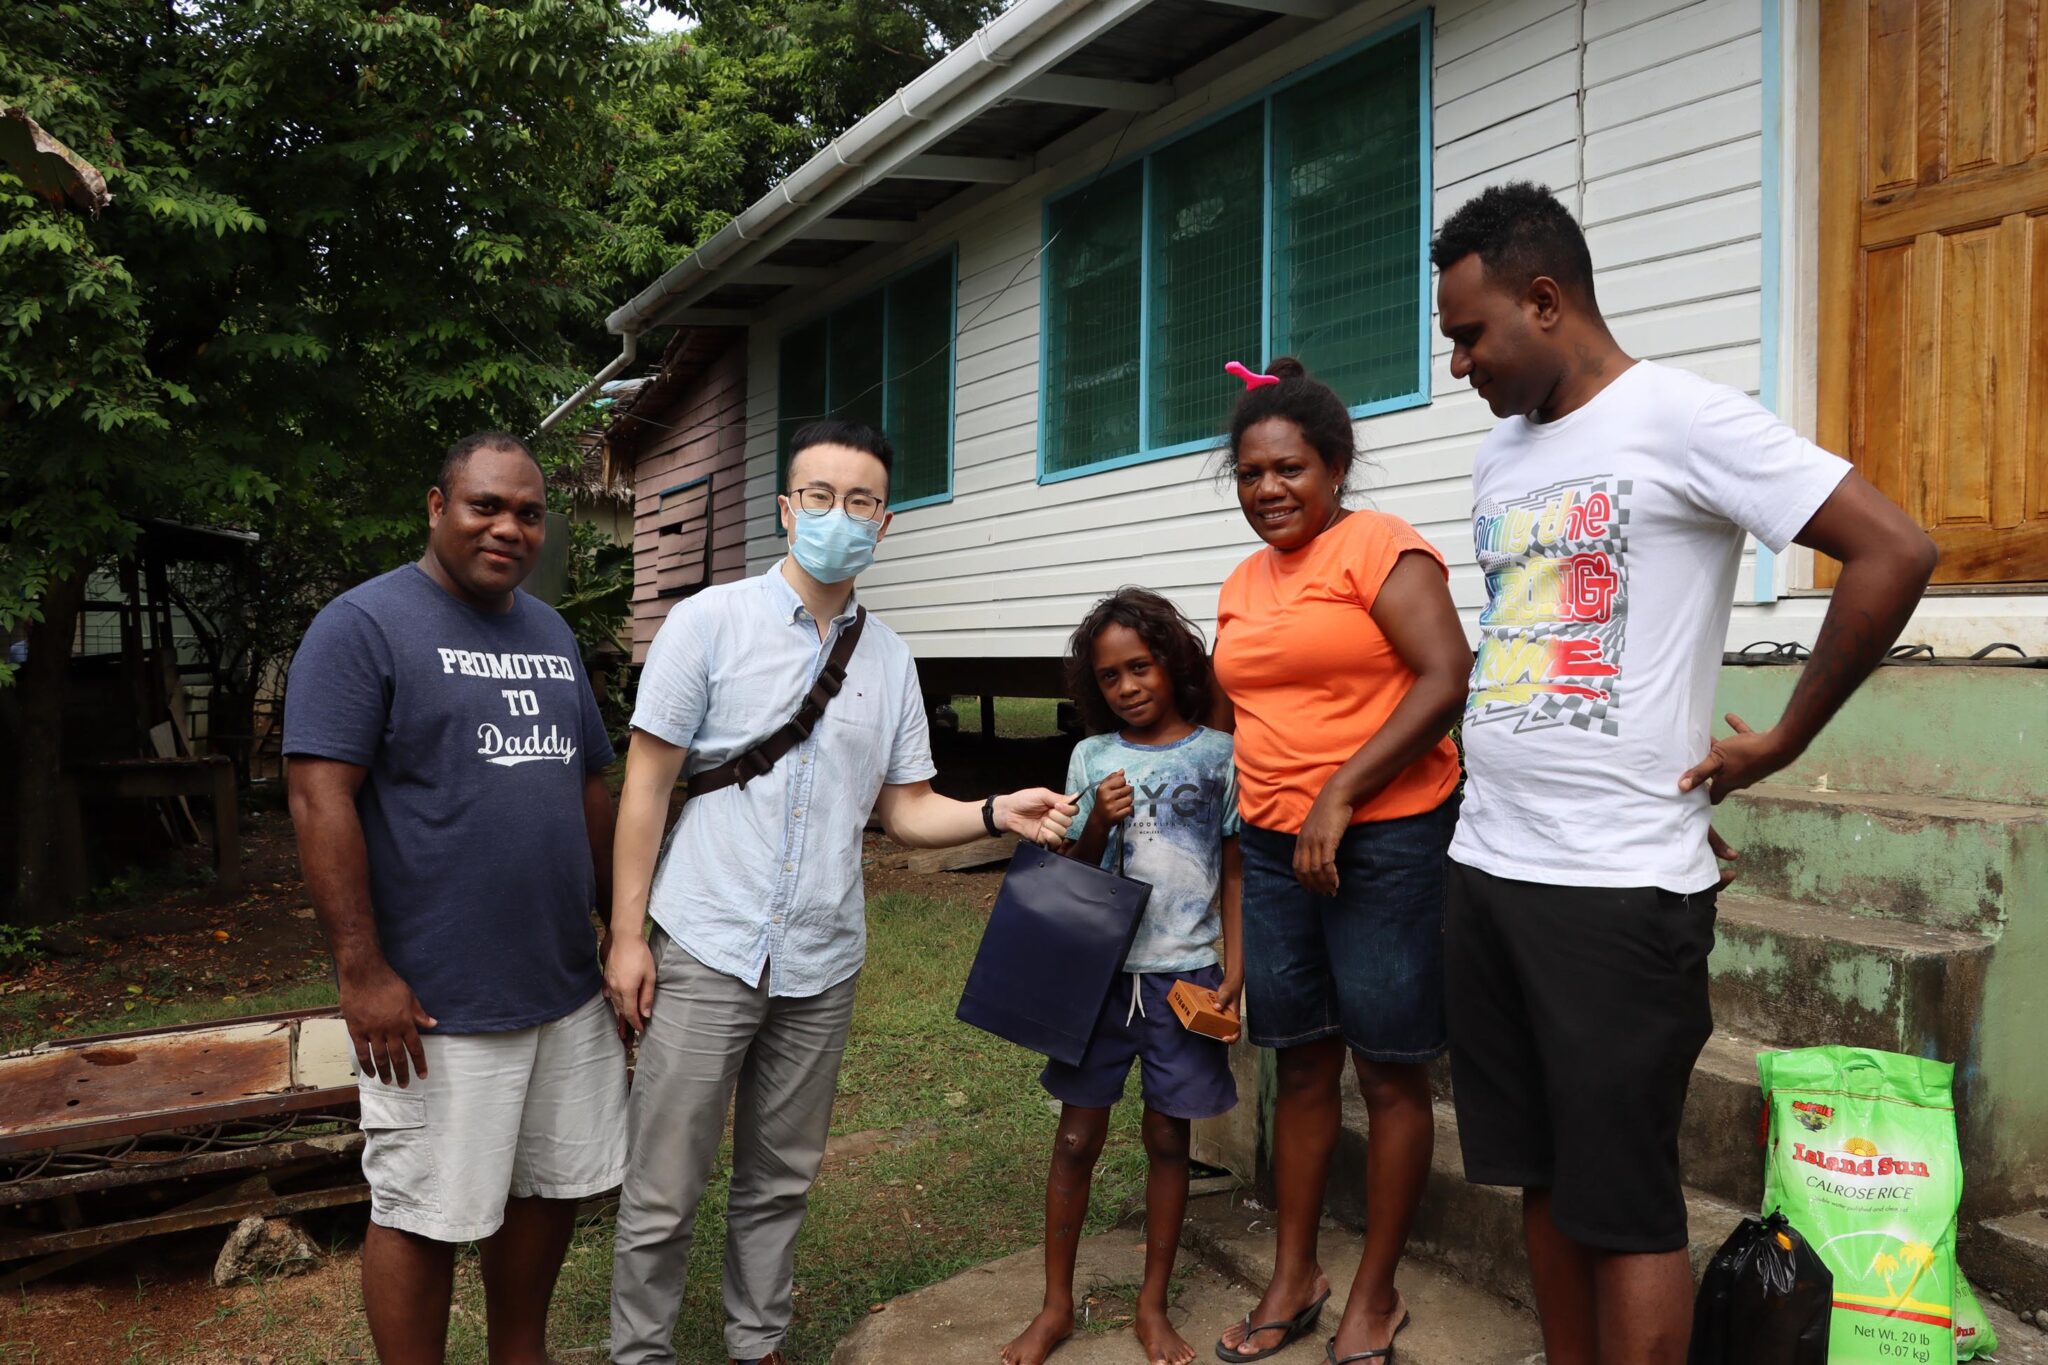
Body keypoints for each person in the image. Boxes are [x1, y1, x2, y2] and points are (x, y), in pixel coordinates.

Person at [1432, 181, 1938, 1365]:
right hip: (1485, 865)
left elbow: (1892, 547)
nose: (1458, 363)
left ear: (1544, 301)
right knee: (1537, 1179)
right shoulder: (1497, 458)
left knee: (1624, 1206)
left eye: (1469, 335)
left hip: (1612, 895)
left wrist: (1784, 738)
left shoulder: (1684, 418)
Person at [605, 419, 1076, 1365]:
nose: (837, 516)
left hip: (821, 958)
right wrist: (627, 936)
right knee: (663, 1181)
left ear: (884, 524)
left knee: (780, 1176)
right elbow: (647, 788)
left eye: (860, 501)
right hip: (707, 938)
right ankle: (639, 1353)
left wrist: (995, 810)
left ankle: (757, 1341)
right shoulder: (708, 623)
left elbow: (905, 810)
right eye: (818, 496)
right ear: (787, 509)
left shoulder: (892, 660)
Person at [284, 432, 625, 1365]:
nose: (509, 527)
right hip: (435, 1000)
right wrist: (363, 969)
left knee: (546, 1186)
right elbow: (321, 796)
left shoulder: (551, 632)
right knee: (424, 1209)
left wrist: (625, 930)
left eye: (528, 512)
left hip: (561, 986)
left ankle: (522, 1354)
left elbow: (589, 788)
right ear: (437, 507)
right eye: (485, 505)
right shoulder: (364, 625)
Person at [1210, 359, 1472, 1364]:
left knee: (1391, 1070)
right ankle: (1294, 1272)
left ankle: (1374, 1289)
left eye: (1288, 469)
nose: (1268, 490)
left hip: (1386, 838)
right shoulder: (1241, 581)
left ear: (1334, 468)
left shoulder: (1378, 546)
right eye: (1249, 474)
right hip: (1273, 848)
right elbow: (1245, 709)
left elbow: (1444, 675)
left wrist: (1339, 792)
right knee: (1301, 1062)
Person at [1009, 588, 1244, 1365]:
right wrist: (1101, 821)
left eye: (1141, 666)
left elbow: (1235, 870)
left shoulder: (1217, 755)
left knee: (1168, 1138)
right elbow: (1070, 873)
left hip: (1186, 976)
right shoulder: (1091, 757)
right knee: (1076, 1137)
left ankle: (1151, 1308)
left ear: (1173, 663)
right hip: (1100, 979)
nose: (1129, 686)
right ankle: (1054, 1308)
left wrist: (1234, 969)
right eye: (1110, 677)